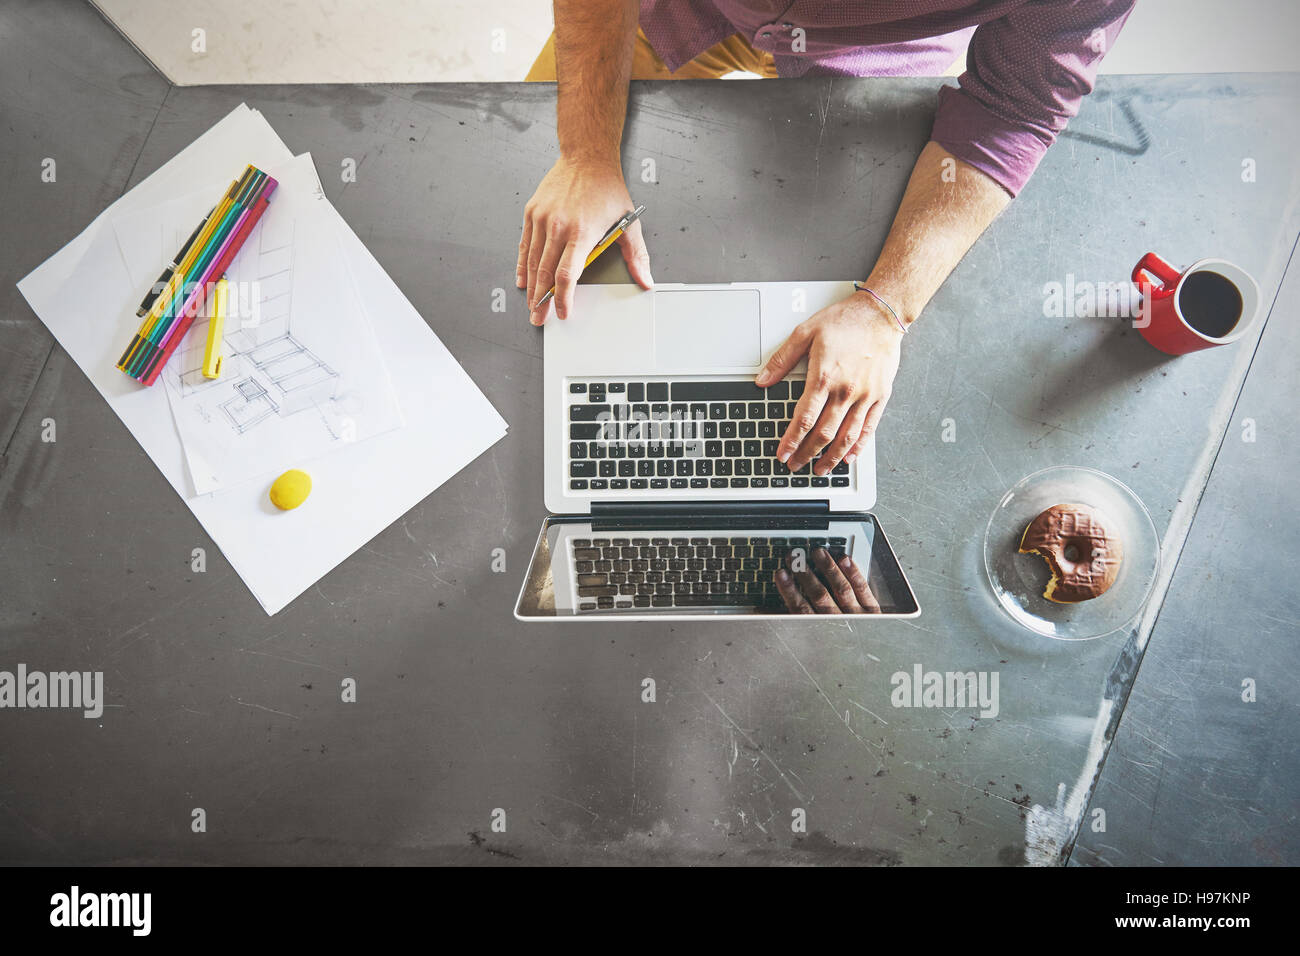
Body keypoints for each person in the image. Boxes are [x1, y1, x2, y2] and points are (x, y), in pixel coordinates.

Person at [519, 0, 1134, 477]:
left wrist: (885, 308)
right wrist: (585, 155)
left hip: (868, 62)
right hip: (671, 14)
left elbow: (1014, 109)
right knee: (519, 164)